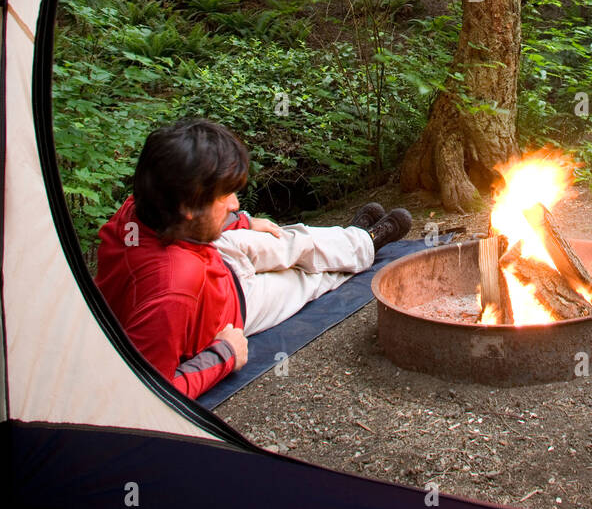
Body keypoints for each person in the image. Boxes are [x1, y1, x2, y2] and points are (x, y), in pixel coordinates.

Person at [95, 118, 411, 400]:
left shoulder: (143, 209)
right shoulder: (171, 292)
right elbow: (148, 392)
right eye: (225, 196)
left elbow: (184, 207)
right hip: (239, 306)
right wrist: (225, 355)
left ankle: (357, 241)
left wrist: (243, 222)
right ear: (189, 206)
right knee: (305, 282)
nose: (235, 203)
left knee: (289, 240)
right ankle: (359, 248)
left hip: (216, 253)